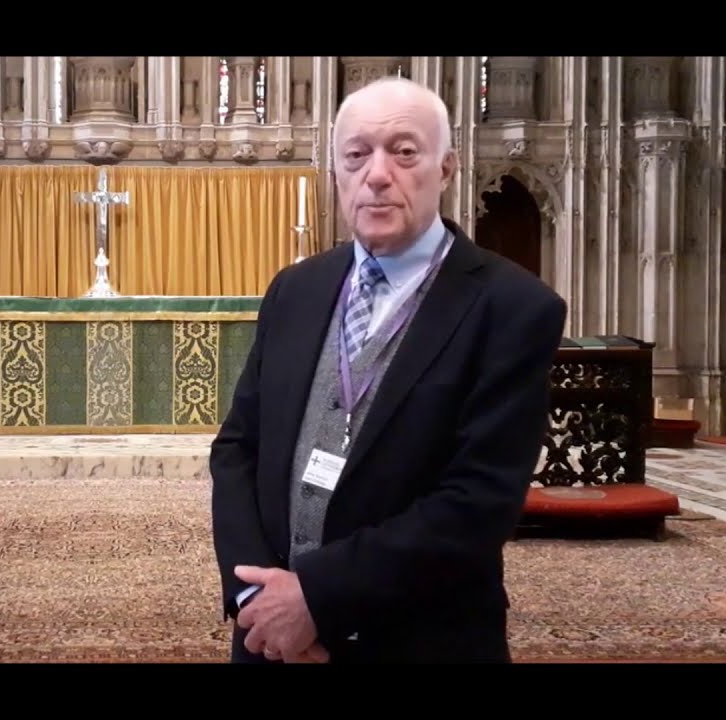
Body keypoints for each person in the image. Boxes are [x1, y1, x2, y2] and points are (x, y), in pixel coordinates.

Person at [209, 76, 567, 664]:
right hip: (270, 642)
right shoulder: (295, 290)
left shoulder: (514, 308)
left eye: (404, 152)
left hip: (420, 641)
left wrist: (315, 600)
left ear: (446, 168)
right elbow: (236, 449)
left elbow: (478, 502)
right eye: (356, 155)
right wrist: (256, 596)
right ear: (336, 174)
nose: (377, 174)